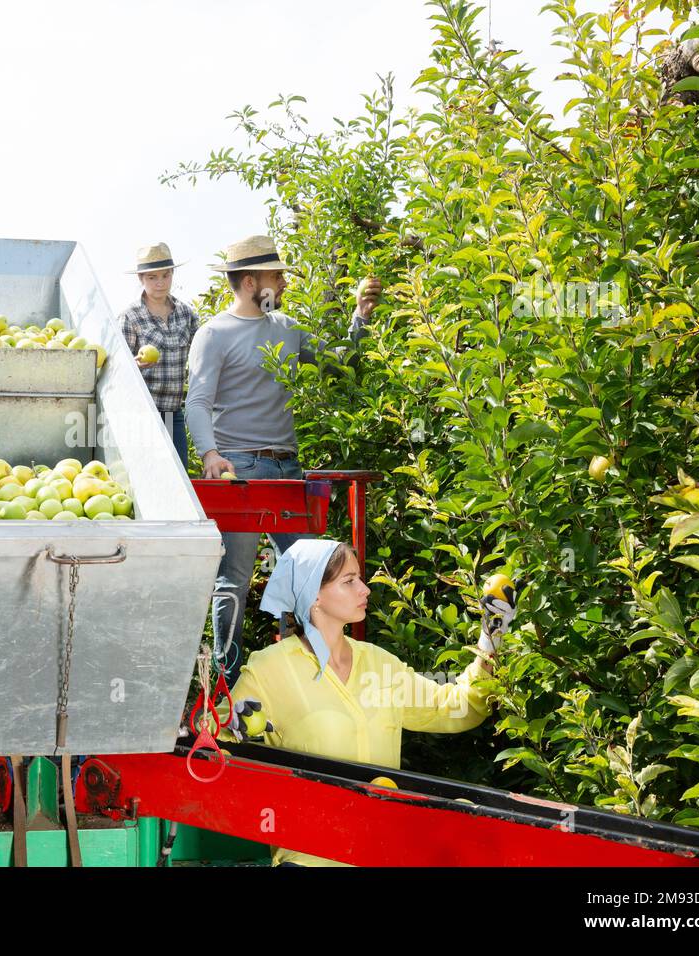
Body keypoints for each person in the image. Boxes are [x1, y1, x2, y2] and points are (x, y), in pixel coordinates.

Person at [217, 539, 516, 867]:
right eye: (349, 581)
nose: (365, 589)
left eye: (359, 578)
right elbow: (211, 741)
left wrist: (491, 636)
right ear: (314, 594)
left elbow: (459, 708)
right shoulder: (270, 669)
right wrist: (233, 723)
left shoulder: (379, 664)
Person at [186, 234, 382, 684]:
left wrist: (360, 317)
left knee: (308, 576)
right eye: (277, 275)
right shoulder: (214, 334)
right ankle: (227, 688)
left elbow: (337, 364)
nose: (285, 282)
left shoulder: (288, 329)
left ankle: (306, 681)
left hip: (286, 466)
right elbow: (197, 402)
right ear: (251, 281)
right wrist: (210, 454)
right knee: (233, 579)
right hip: (238, 468)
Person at [119, 242, 200, 468]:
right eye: (153, 277)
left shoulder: (186, 314)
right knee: (145, 475)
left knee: (180, 478)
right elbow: (117, 372)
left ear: (173, 274)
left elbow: (199, 358)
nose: (160, 283)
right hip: (143, 414)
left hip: (173, 413)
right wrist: (133, 365)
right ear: (141, 279)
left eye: (166, 275)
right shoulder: (130, 317)